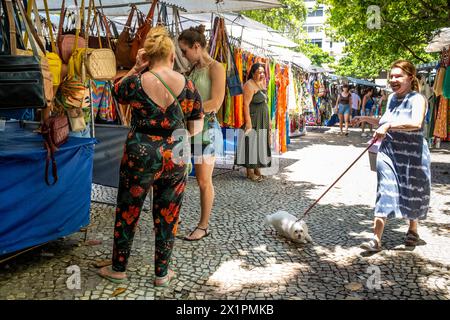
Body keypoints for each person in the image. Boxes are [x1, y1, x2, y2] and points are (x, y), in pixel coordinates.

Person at [98, 27, 204, 286]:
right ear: (170, 56)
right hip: (175, 152)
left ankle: (119, 269)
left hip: (140, 153)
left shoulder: (135, 82)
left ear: (148, 56)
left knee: (128, 209)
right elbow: (197, 123)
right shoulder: (188, 85)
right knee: (168, 212)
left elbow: (117, 93)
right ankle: (161, 274)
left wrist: (136, 68)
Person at [351, 60, 430, 252]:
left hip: (413, 155)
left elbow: (415, 122)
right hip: (388, 153)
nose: (393, 80)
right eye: (391, 76)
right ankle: (375, 239)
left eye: (398, 76)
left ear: (410, 78)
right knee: (384, 191)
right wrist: (366, 119)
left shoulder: (417, 99)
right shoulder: (392, 98)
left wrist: (388, 126)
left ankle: (413, 229)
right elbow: (386, 120)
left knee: (411, 191)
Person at [178, 25, 226, 241]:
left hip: (207, 130)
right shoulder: (192, 69)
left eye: (185, 51)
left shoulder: (216, 67)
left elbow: (216, 102)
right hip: (190, 129)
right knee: (178, 176)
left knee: (203, 180)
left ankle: (203, 225)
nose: (183, 56)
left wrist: (185, 109)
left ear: (196, 46)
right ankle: (174, 218)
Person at [235, 62, 271, 181]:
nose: (261, 74)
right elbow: (245, 105)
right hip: (254, 117)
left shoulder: (261, 83)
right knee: (251, 143)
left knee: (260, 142)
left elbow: (265, 102)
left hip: (262, 118)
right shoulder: (249, 85)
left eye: (263, 72)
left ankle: (257, 168)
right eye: (259, 72)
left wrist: (269, 120)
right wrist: (248, 122)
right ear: (252, 73)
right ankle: (249, 171)